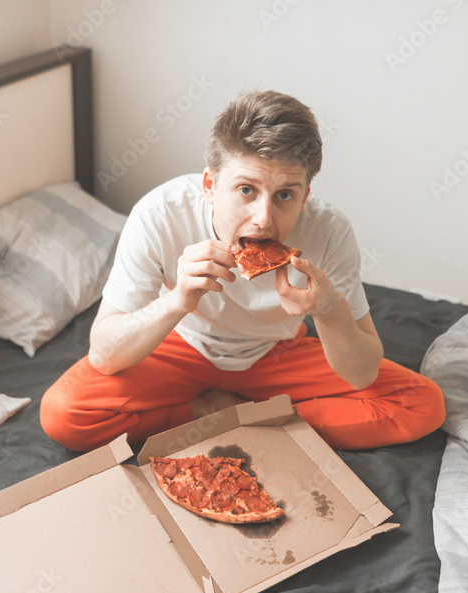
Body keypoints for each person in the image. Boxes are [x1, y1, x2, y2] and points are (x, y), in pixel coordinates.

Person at [40, 90, 445, 452]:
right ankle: (211, 413)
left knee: (422, 405)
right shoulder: (159, 214)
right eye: (246, 190)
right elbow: (105, 354)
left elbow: (361, 374)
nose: (263, 220)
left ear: (305, 197)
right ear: (209, 185)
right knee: (62, 415)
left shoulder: (330, 231)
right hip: (183, 344)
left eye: (285, 195)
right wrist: (177, 301)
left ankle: (247, 416)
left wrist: (328, 311)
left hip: (278, 350)